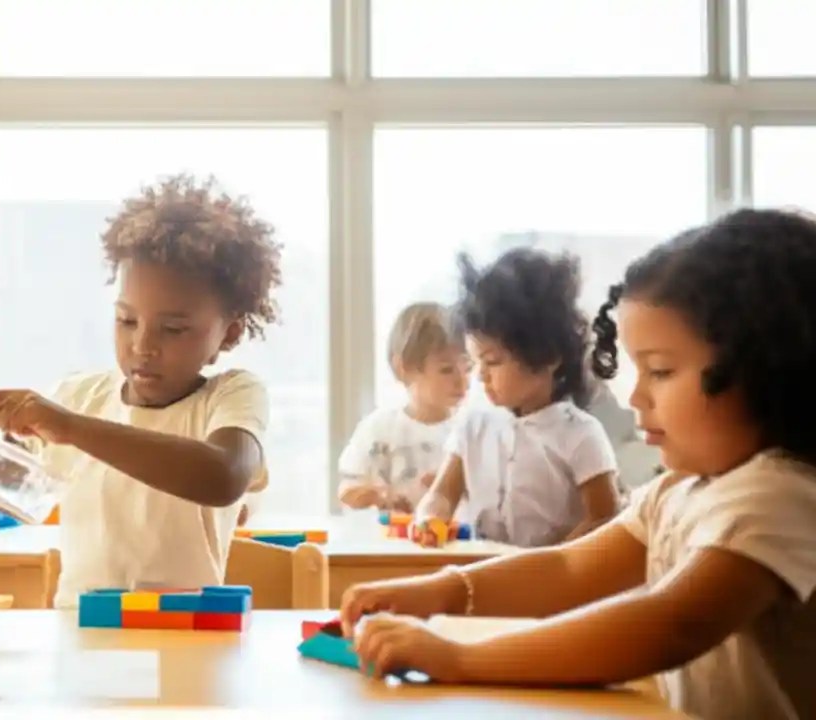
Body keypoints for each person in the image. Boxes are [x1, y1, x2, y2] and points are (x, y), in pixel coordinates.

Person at [340, 209, 816, 720]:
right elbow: (569, 568)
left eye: (660, 371)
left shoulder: (779, 493)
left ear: (765, 369)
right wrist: (438, 591)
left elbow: (670, 623)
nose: (635, 396)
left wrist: (460, 657)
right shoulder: (678, 491)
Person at [0, 175, 280, 607]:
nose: (143, 345)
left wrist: (70, 428)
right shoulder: (81, 397)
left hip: (186, 634)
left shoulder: (230, 396)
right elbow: (20, 489)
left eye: (174, 329)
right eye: (127, 321)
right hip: (83, 629)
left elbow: (222, 476)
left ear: (229, 334)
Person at [413, 248, 619, 547]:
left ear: (548, 356)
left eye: (493, 362)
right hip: (481, 572)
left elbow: (604, 518)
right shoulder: (473, 425)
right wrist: (429, 517)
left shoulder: (580, 433)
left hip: (553, 583)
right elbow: (442, 494)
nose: (480, 375)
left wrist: (553, 562)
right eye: (475, 363)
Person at [337, 302, 469, 514]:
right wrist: (380, 496)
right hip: (393, 544)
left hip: (456, 543)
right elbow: (347, 490)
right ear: (403, 368)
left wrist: (452, 488)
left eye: (467, 367)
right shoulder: (379, 429)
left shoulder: (469, 429)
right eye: (446, 370)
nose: (461, 380)